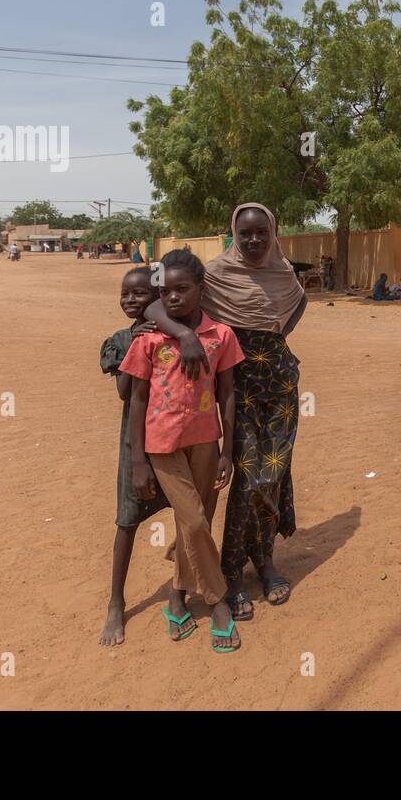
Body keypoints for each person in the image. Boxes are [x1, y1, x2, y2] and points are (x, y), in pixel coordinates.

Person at [145, 203, 307, 618]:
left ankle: (266, 560)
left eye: (261, 233)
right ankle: (232, 571)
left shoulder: (284, 273)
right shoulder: (213, 274)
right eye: (245, 233)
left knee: (273, 474)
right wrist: (183, 333)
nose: (253, 240)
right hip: (235, 384)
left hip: (279, 383)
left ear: (273, 233)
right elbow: (152, 303)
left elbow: (295, 306)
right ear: (234, 234)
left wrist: (274, 341)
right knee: (248, 475)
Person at [121, 248, 243, 653]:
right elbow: (137, 398)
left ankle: (176, 596)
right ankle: (218, 599)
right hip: (162, 444)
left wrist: (227, 449)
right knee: (192, 524)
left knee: (200, 521)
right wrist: (138, 460)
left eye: (182, 289)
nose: (172, 297)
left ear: (201, 290)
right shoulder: (150, 338)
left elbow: (227, 394)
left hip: (206, 440)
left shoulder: (221, 336)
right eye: (166, 291)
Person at [98, 267, 171, 646]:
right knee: (127, 520)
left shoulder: (175, 332)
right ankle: (116, 601)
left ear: (158, 296)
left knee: (192, 507)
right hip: (137, 443)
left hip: (174, 438)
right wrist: (133, 347)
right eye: (125, 294)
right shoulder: (120, 340)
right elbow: (126, 394)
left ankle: (184, 586)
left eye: (140, 294)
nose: (130, 300)